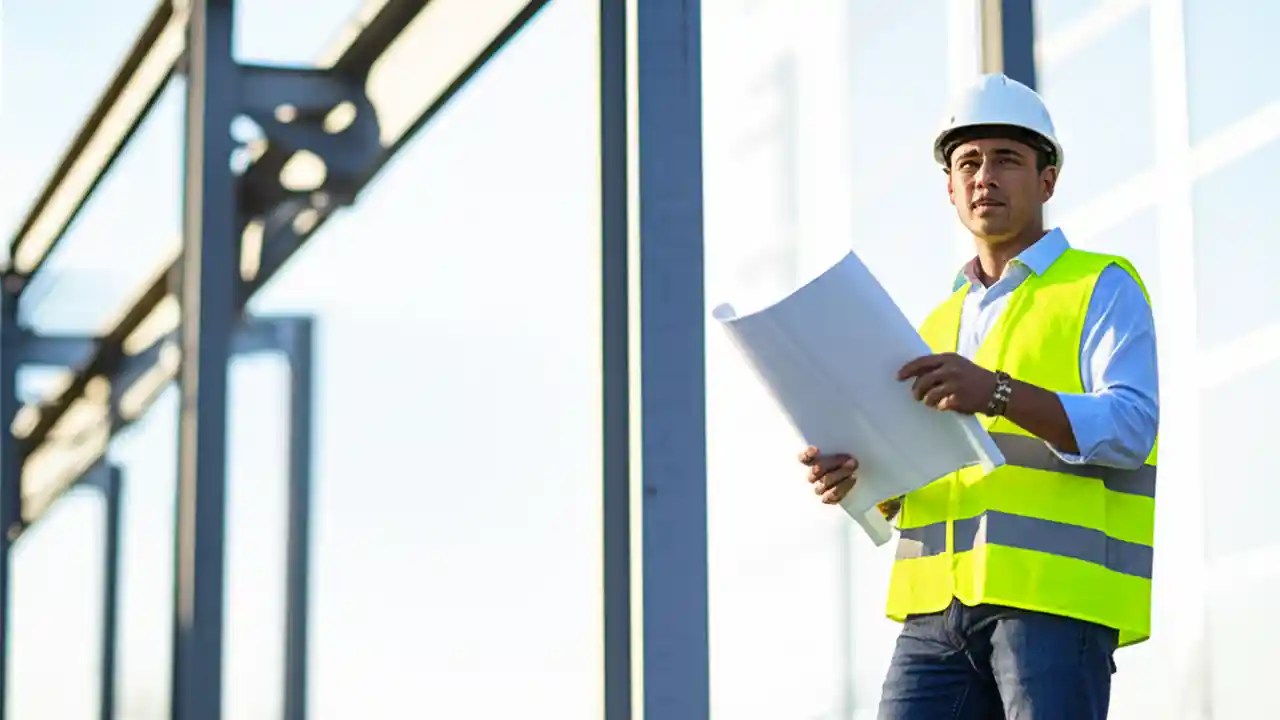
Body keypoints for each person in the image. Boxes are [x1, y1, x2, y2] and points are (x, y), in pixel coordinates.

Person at [799, 73, 1159, 719]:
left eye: (1006, 160)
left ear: (1047, 180)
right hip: (934, 614)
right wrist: (862, 481)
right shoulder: (931, 327)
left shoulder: (1100, 285)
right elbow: (920, 481)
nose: (983, 176)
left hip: (1051, 605)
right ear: (949, 188)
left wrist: (995, 392)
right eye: (968, 162)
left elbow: (1131, 427)